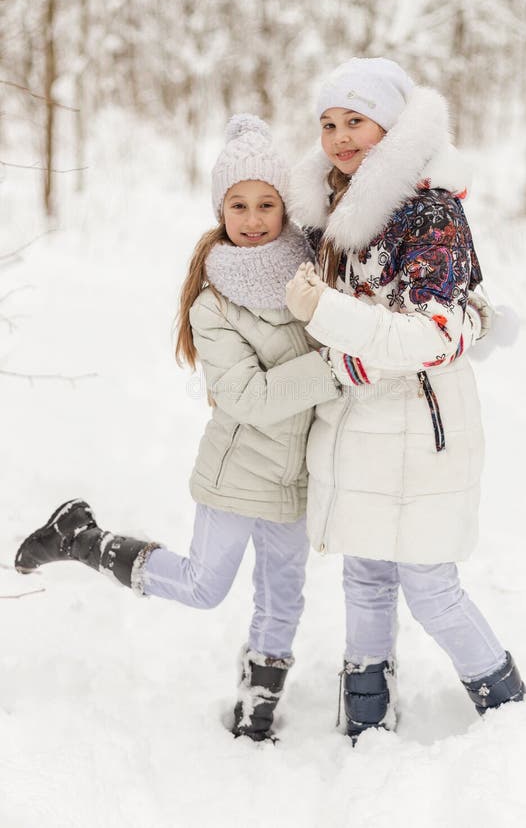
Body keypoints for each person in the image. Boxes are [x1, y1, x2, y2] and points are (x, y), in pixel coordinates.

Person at [14, 114, 345, 743]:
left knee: (283, 598)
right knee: (202, 586)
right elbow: (247, 395)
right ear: (220, 210)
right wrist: (335, 366)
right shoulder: (213, 301)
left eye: (267, 204)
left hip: (299, 477)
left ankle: (258, 710)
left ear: (285, 207)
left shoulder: (311, 273)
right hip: (237, 473)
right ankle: (83, 538)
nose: (253, 218)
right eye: (238, 204)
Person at [285, 58, 526, 741]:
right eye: (329, 123)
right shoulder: (328, 210)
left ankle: (507, 705)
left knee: (431, 584)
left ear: (393, 126)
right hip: (355, 422)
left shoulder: (429, 211)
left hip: (422, 424)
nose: (341, 137)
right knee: (365, 573)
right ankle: (367, 701)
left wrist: (330, 323)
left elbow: (428, 338)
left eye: (358, 121)